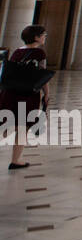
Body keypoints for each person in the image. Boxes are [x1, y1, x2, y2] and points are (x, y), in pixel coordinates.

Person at [2, 25, 52, 170]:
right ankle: (15, 159)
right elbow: (43, 76)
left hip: (10, 92)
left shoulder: (17, 51)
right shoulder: (39, 54)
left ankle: (16, 160)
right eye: (43, 34)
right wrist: (47, 93)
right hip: (28, 94)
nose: (44, 37)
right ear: (36, 37)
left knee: (12, 124)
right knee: (22, 126)